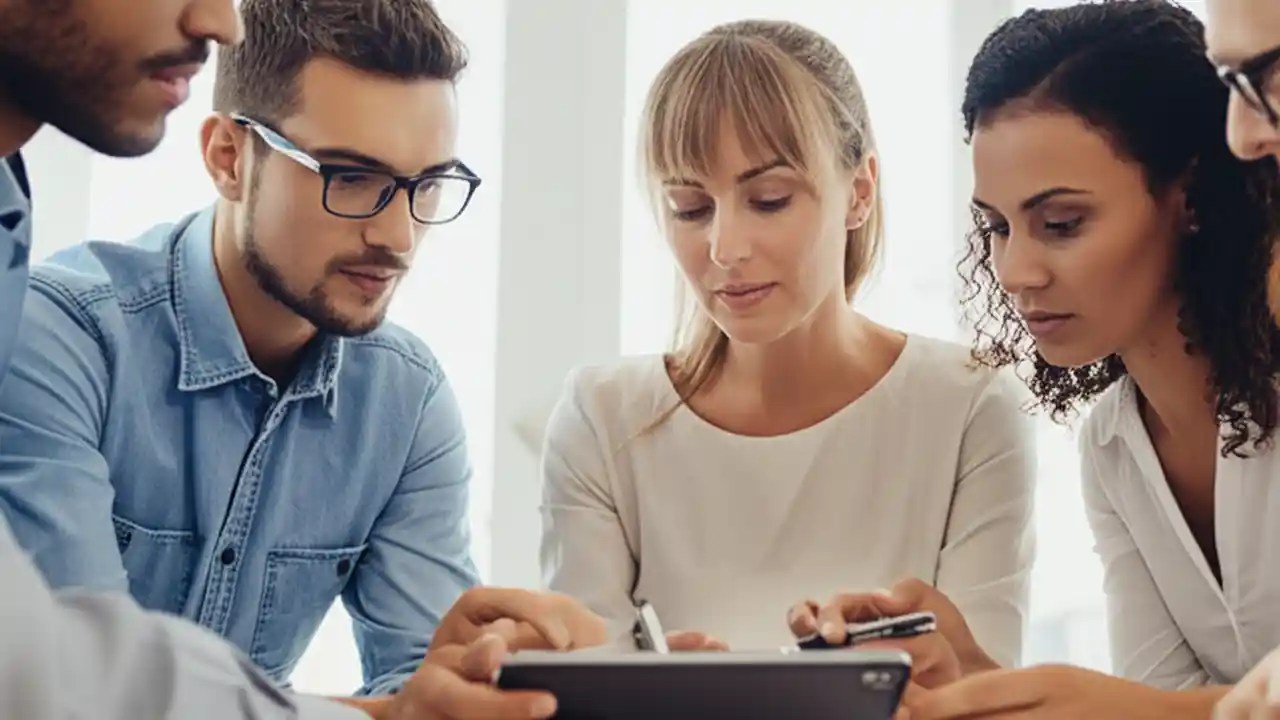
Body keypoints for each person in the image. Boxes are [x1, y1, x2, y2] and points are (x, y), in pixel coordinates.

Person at [0, 0, 607, 718]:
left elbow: (426, 687)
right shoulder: (57, 338)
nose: (398, 236)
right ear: (228, 157)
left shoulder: (404, 401)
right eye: (351, 178)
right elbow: (72, 691)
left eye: (426, 186)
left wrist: (491, 679)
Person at [788, 2, 1280, 717]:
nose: (1016, 270)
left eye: (1060, 224)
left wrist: (1074, 695)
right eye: (996, 226)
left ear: (1192, 197)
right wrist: (974, 680)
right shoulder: (1112, 447)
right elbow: (1171, 706)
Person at [540, 18, 1036, 661]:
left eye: (769, 200)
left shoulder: (969, 407)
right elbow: (582, 695)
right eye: (691, 208)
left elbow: (984, 694)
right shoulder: (602, 420)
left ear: (858, 192)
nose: (724, 248)